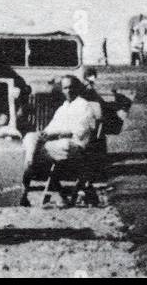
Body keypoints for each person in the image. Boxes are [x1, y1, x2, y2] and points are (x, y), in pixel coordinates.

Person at [21, 75, 99, 205]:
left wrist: (53, 135)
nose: (68, 91)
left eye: (70, 87)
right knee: (30, 138)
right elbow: (51, 128)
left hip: (73, 146)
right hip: (55, 144)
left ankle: (25, 187)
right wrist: (43, 134)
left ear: (77, 88)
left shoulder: (84, 106)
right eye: (65, 88)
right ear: (62, 90)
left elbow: (78, 132)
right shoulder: (63, 107)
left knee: (31, 153)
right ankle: (27, 177)